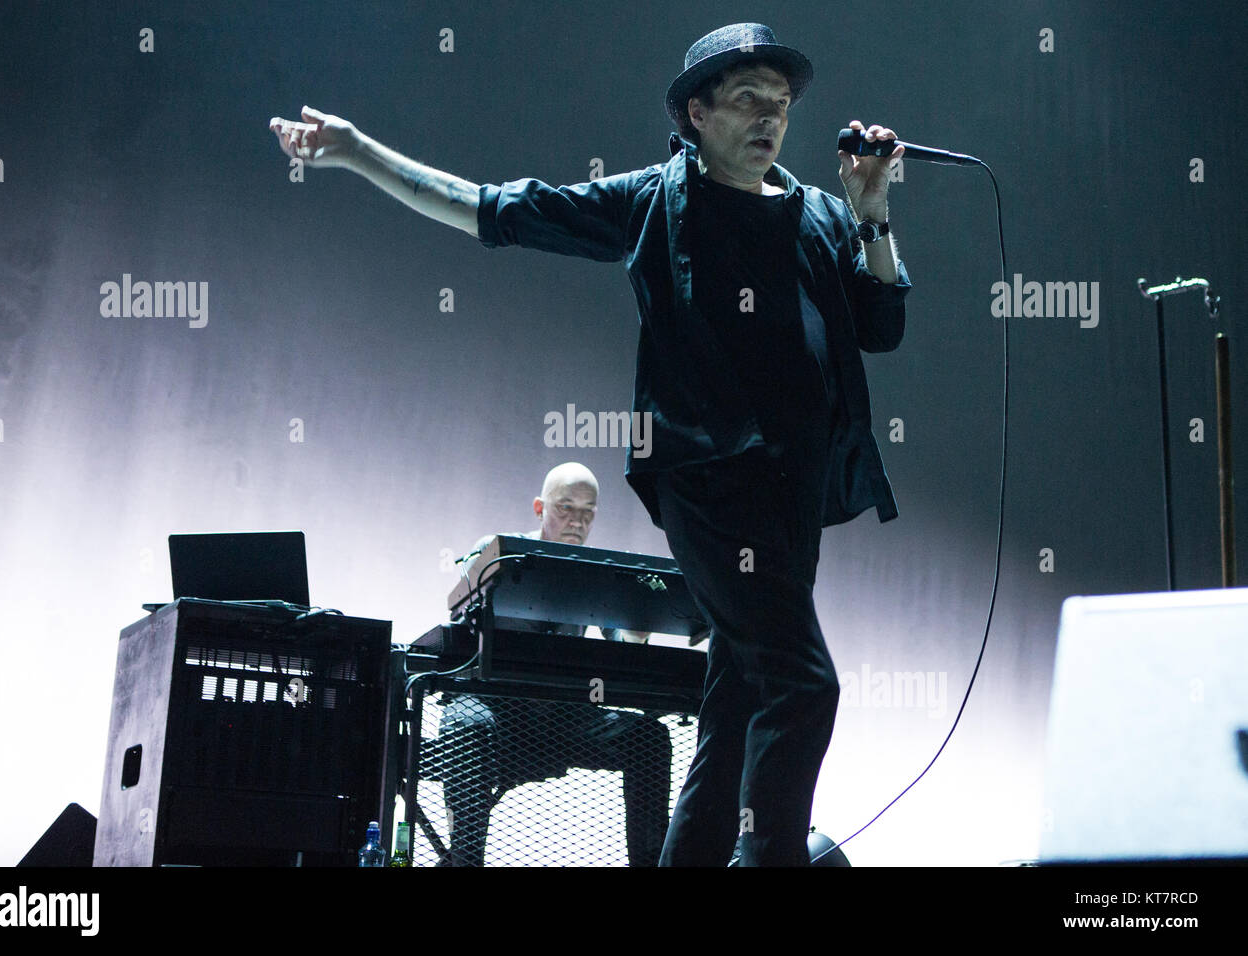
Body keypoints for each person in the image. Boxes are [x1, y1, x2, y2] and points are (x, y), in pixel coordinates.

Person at [270, 21, 911, 866]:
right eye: (749, 101)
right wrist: (358, 153)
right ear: (696, 112)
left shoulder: (818, 215)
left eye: (782, 106)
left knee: (736, 701)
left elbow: (882, 325)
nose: (770, 120)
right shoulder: (651, 203)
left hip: (795, 491)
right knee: (802, 683)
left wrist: (872, 214)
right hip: (710, 485)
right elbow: (489, 209)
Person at [438, 462, 671, 867]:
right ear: (539, 508)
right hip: (496, 709)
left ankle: (652, 863)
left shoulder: (598, 574)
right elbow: (460, 608)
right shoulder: (498, 552)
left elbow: (625, 646)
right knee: (465, 723)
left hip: (563, 717)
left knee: (649, 738)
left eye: (588, 511)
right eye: (566, 507)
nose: (577, 521)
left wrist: (639, 626)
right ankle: (465, 861)